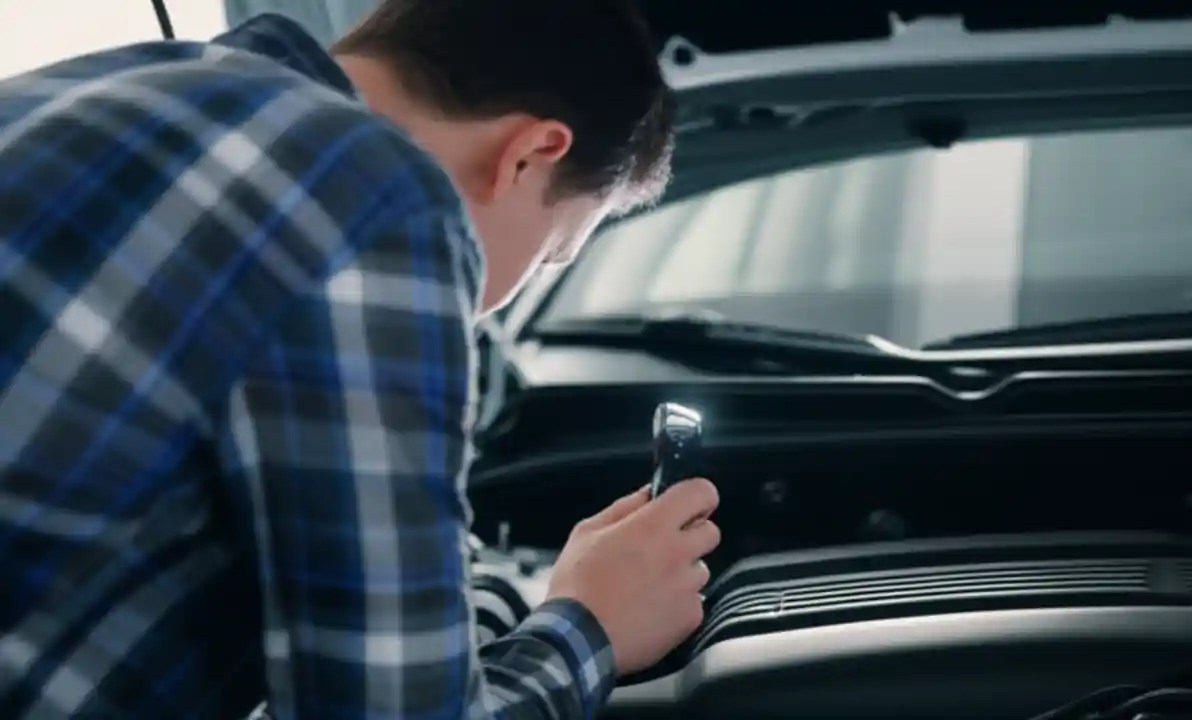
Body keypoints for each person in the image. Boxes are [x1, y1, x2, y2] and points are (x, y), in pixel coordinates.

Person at [0, 1, 721, 718]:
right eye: (548, 254)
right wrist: (588, 630)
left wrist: (523, 599)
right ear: (529, 154)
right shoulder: (382, 206)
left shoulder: (104, 87)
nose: (498, 301)